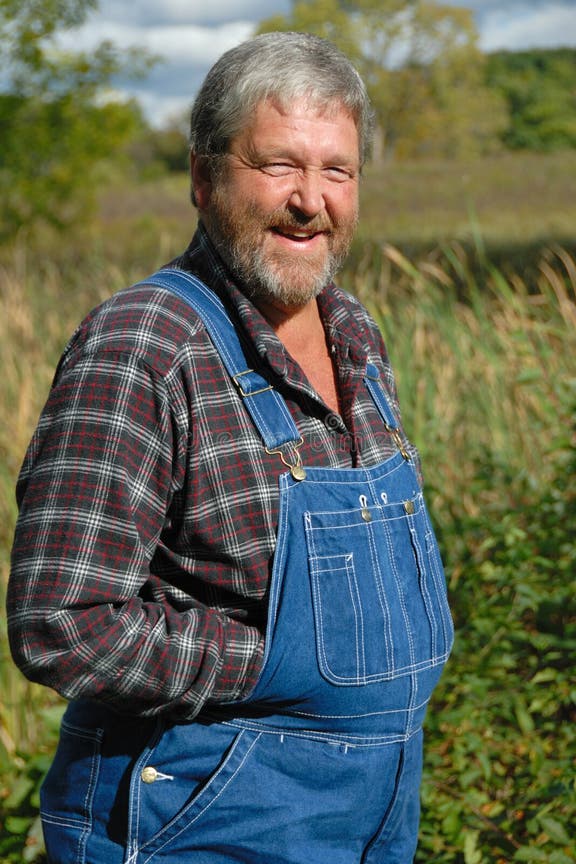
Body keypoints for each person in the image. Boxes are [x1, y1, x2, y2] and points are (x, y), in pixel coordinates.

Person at [8, 31, 453, 864]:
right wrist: (281, 662)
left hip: (367, 818)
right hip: (202, 824)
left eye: (338, 170)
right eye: (278, 164)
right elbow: (62, 622)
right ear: (203, 177)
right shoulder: (145, 343)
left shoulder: (353, 331)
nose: (311, 200)